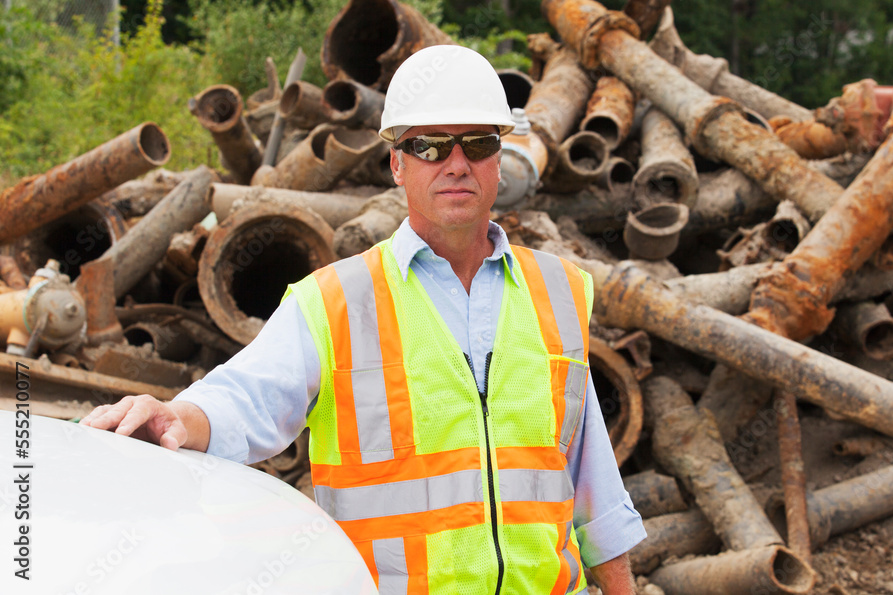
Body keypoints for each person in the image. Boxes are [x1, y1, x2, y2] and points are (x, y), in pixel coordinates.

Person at [82, 45, 646, 593]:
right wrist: (177, 415)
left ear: (501, 158)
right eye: (428, 146)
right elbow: (246, 400)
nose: (456, 164)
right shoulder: (335, 302)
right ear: (397, 163)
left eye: (476, 143)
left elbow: (589, 477)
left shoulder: (558, 290)